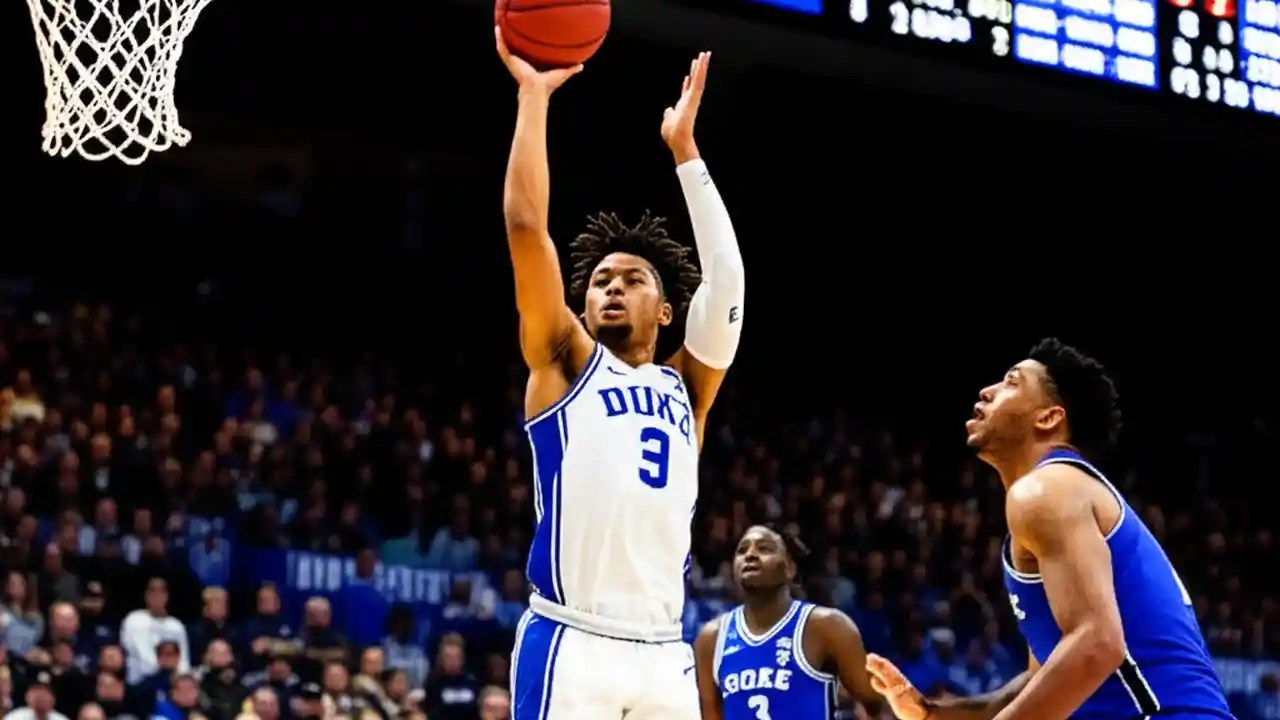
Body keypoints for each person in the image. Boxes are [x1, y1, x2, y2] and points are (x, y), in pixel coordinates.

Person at [495, 28, 745, 720]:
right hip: (572, 640)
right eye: (601, 280)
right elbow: (524, 225)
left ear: (666, 311)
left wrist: (687, 154)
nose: (612, 287)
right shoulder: (564, 361)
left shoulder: (687, 388)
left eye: (633, 279)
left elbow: (728, 280)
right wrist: (534, 96)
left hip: (664, 650)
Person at [866, 338, 1234, 720]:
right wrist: (933, 713)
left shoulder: (1047, 490)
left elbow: (1097, 644)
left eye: (1011, 382)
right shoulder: (1057, 498)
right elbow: (1040, 679)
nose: (987, 391)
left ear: (1048, 418)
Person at [693, 525, 883, 720]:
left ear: (789, 568)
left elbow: (879, 706)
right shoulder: (711, 639)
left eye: (765, 548)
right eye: (742, 550)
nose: (750, 554)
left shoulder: (827, 626)